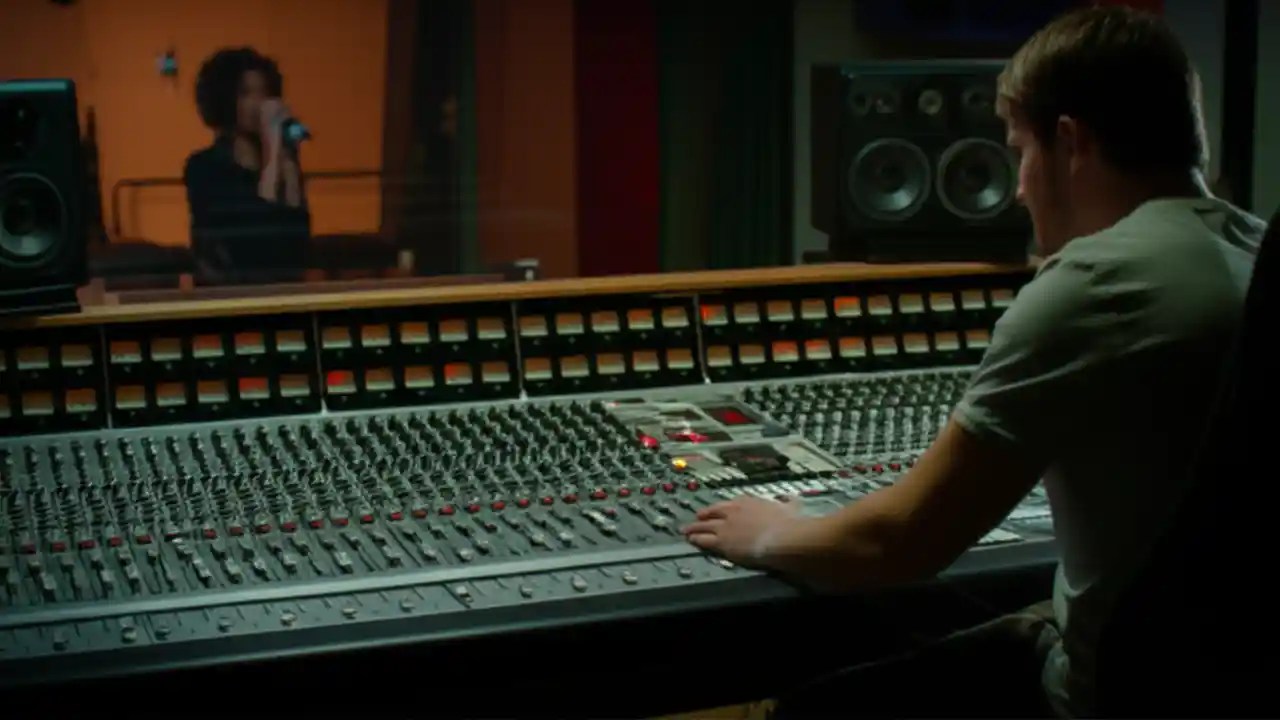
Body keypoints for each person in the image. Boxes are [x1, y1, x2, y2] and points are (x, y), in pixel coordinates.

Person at [681, 5, 1264, 718]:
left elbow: (899, 542)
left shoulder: (1095, 283)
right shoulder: (1253, 248)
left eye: (1020, 150)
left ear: (1070, 142)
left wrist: (772, 531)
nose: (1017, 186)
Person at [183, 47, 310, 282]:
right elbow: (252, 246)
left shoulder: (282, 163)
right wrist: (272, 151)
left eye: (265, 93)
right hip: (231, 300)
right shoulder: (204, 167)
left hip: (283, 299)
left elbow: (298, 243)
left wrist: (289, 162)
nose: (259, 103)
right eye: (246, 93)